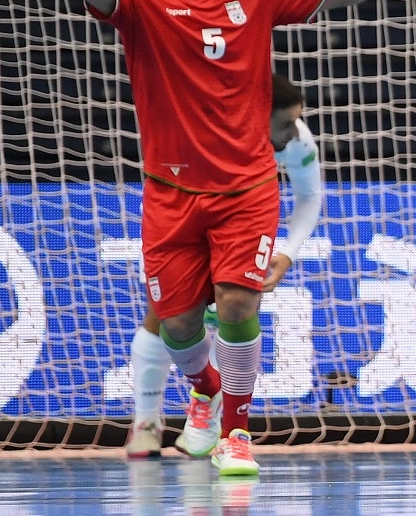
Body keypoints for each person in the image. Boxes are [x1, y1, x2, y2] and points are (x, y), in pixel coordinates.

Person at [37, 0, 416, 476]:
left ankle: (238, 432)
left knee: (238, 302)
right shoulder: (142, 1)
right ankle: (205, 389)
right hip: (169, 192)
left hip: (246, 189)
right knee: (177, 323)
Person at [125, 72, 325, 459]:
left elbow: (310, 196)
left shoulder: (295, 142)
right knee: (169, 318)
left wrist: (289, 252)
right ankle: (147, 419)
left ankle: (218, 421)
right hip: (182, 215)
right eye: (283, 124)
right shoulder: (195, 130)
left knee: (234, 306)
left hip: (242, 216)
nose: (293, 132)